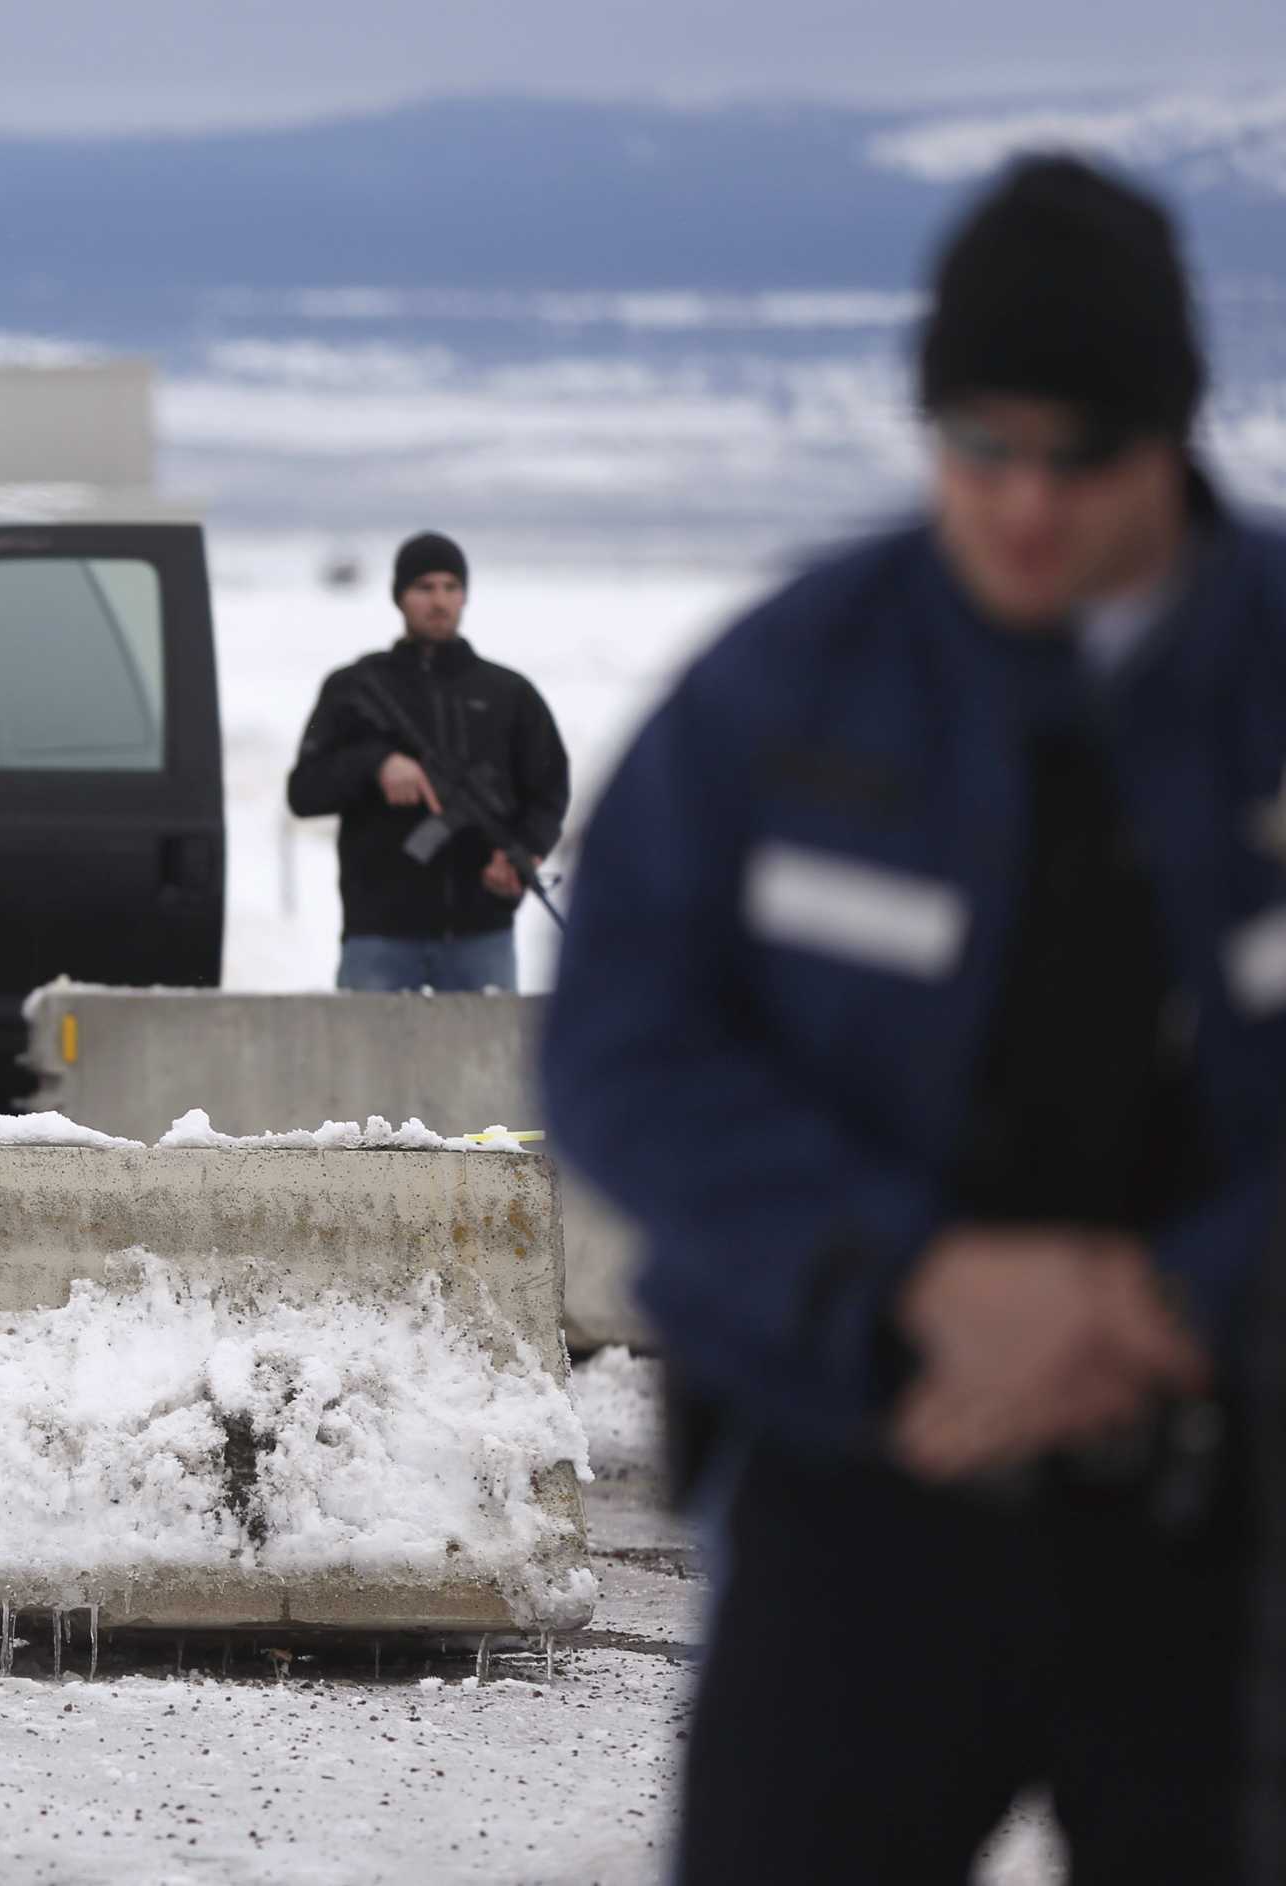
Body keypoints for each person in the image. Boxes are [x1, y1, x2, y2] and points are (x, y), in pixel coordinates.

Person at [541, 155, 1281, 1884]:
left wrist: (1167, 1306)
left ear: (1175, 432)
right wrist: (920, 1283)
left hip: (1232, 1506)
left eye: (1080, 457)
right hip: (862, 1462)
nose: (1025, 507)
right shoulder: (793, 694)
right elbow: (623, 1044)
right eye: (980, 448)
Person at [286, 531, 568, 991]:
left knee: (485, 1063)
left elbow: (549, 789)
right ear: (399, 597)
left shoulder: (509, 695)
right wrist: (376, 766)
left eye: (451, 588)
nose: (439, 601)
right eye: (424, 588)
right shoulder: (355, 688)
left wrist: (523, 851)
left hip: (482, 937)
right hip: (379, 937)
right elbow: (304, 792)